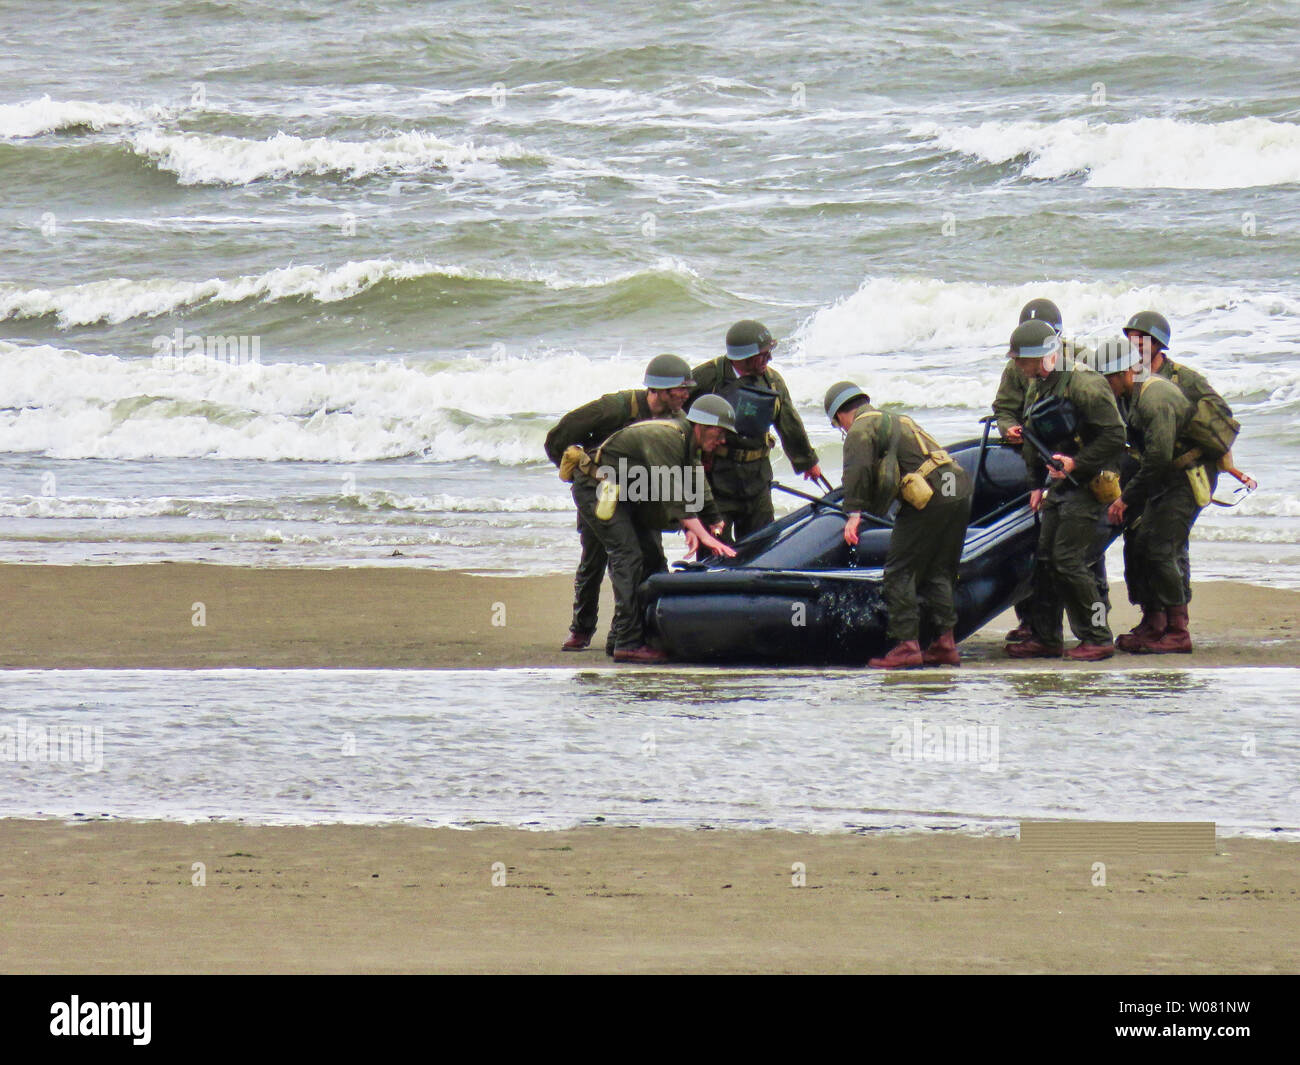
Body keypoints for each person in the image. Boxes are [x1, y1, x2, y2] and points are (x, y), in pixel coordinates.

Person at [569, 395, 737, 664]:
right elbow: (670, 490)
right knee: (628, 556)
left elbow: (694, 483)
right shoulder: (667, 437)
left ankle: (621, 636)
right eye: (721, 433)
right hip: (596, 488)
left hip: (627, 493)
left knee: (653, 558)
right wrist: (701, 534)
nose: (723, 441)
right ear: (703, 425)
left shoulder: (687, 443)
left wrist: (712, 519)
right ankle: (627, 643)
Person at [545, 354, 695, 652]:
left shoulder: (677, 419)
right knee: (597, 557)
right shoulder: (614, 407)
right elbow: (558, 438)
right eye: (681, 389)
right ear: (659, 389)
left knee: (651, 555)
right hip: (598, 491)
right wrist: (581, 474)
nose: (686, 394)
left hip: (637, 493)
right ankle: (582, 629)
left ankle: (630, 632)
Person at [825, 381, 973, 669]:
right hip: (959, 487)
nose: (842, 429)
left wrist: (854, 513)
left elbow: (857, 471)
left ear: (842, 414)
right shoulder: (897, 419)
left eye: (837, 424)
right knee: (939, 570)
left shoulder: (859, 429)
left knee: (899, 571)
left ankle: (907, 646)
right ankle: (945, 644)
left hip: (930, 495)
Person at [1004, 320, 1126, 661]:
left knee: (1069, 561)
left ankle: (1098, 636)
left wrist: (1077, 463)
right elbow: (1033, 437)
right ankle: (1046, 638)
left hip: (1086, 486)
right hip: (1057, 486)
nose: (1018, 366)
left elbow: (1115, 436)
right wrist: (1034, 486)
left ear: (1044, 357)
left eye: (1023, 360)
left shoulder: (1086, 385)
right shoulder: (1037, 385)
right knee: (1044, 560)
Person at [993, 298, 1098, 643]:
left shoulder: (1080, 363)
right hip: (1034, 456)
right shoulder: (1017, 367)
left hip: (1073, 458)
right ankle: (1035, 623)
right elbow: (1004, 408)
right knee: (1035, 546)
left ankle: (1097, 623)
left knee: (1084, 549)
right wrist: (1008, 428)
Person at [1094, 337, 1202, 653]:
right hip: (1163, 476)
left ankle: (1178, 631)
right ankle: (1155, 624)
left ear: (1128, 372)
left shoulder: (1156, 398)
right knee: (1141, 544)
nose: (1108, 385)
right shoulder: (1131, 395)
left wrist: (1125, 499)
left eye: (1111, 378)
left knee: (1160, 548)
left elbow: (1158, 457)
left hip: (1184, 477)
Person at [1121, 310, 1227, 610]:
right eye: (1130, 340)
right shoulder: (1129, 379)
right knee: (1139, 543)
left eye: (1141, 341)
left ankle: (1176, 620)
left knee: (1169, 547)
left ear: (1158, 345)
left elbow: (1219, 417)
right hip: (1147, 474)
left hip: (1182, 473)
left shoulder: (1184, 379)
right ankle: (1151, 616)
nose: (1134, 346)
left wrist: (1191, 439)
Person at [689, 320, 822, 543]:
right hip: (716, 481)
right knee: (714, 548)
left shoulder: (772, 381)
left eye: (769, 353)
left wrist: (807, 462)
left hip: (757, 479)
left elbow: (788, 423)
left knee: (763, 545)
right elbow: (677, 415)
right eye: (763, 354)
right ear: (742, 357)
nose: (769, 359)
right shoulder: (707, 378)